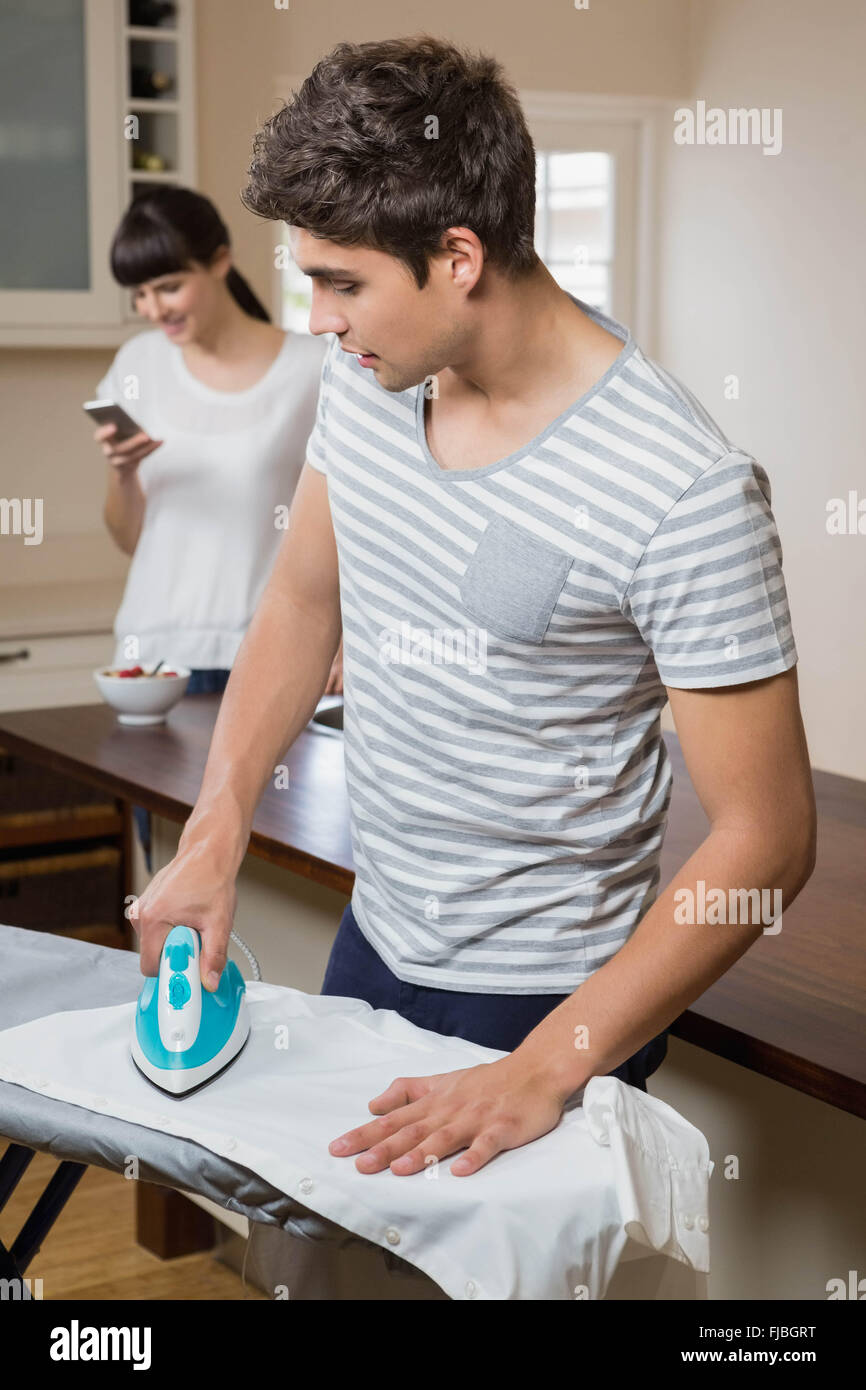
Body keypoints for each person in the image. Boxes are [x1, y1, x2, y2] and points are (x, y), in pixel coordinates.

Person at [132, 39, 816, 1179]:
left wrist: (553, 1062)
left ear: (456, 256)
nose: (315, 320)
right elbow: (301, 607)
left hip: (548, 996)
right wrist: (217, 830)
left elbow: (767, 837)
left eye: (340, 282)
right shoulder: (365, 382)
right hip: (376, 938)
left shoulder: (680, 487)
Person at [93, 186, 341, 868]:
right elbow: (130, 536)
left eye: (168, 286)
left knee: (267, 866)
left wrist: (344, 635)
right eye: (139, 294)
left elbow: (348, 520)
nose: (152, 310)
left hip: (261, 655)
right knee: (167, 868)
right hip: (152, 659)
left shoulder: (312, 368)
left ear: (222, 261)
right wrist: (122, 475)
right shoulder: (136, 368)